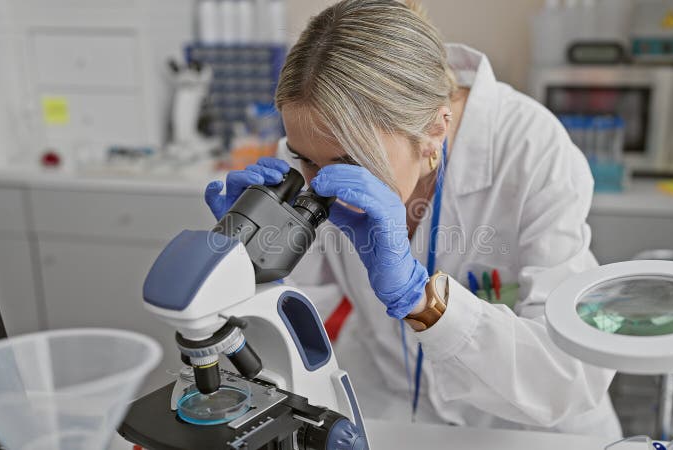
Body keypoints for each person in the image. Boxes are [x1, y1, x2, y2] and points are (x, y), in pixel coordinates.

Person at [204, 0, 622, 437]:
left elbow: (570, 376)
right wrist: (246, 270)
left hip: (524, 424)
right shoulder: (314, 142)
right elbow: (285, 330)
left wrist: (423, 302)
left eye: (351, 162)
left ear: (434, 132)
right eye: (304, 159)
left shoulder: (530, 150)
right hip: (387, 405)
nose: (323, 183)